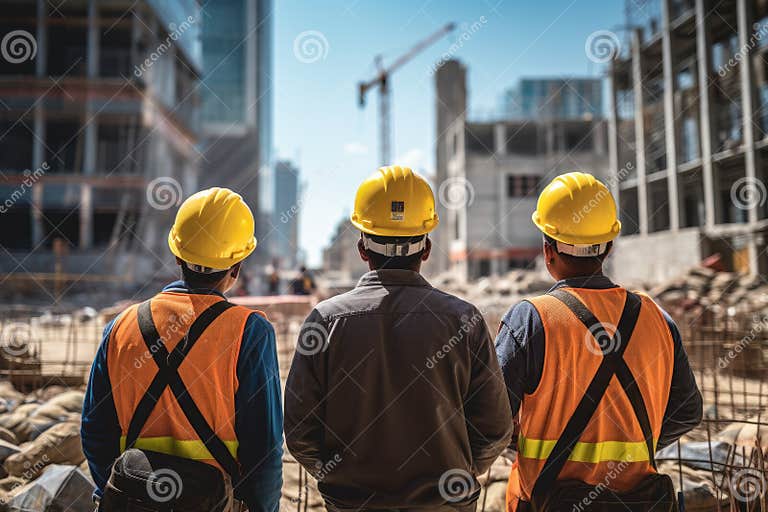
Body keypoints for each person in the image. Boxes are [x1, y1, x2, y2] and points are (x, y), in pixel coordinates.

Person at [285, 166, 513, 512]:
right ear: (427, 249)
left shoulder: (326, 321)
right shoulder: (464, 321)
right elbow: (495, 428)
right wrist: (461, 473)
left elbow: (301, 432)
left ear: (363, 248)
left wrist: (339, 481)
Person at [495, 172, 703, 511]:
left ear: (548, 251)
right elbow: (687, 411)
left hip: (546, 501)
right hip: (641, 502)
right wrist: (638, 442)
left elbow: (489, 419)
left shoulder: (530, 319)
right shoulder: (656, 317)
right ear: (607, 247)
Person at [81, 187, 283, 512]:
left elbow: (94, 429)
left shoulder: (120, 327)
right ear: (237, 266)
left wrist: (118, 490)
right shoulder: (250, 332)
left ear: (177, 256)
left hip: (133, 498)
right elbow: (265, 449)